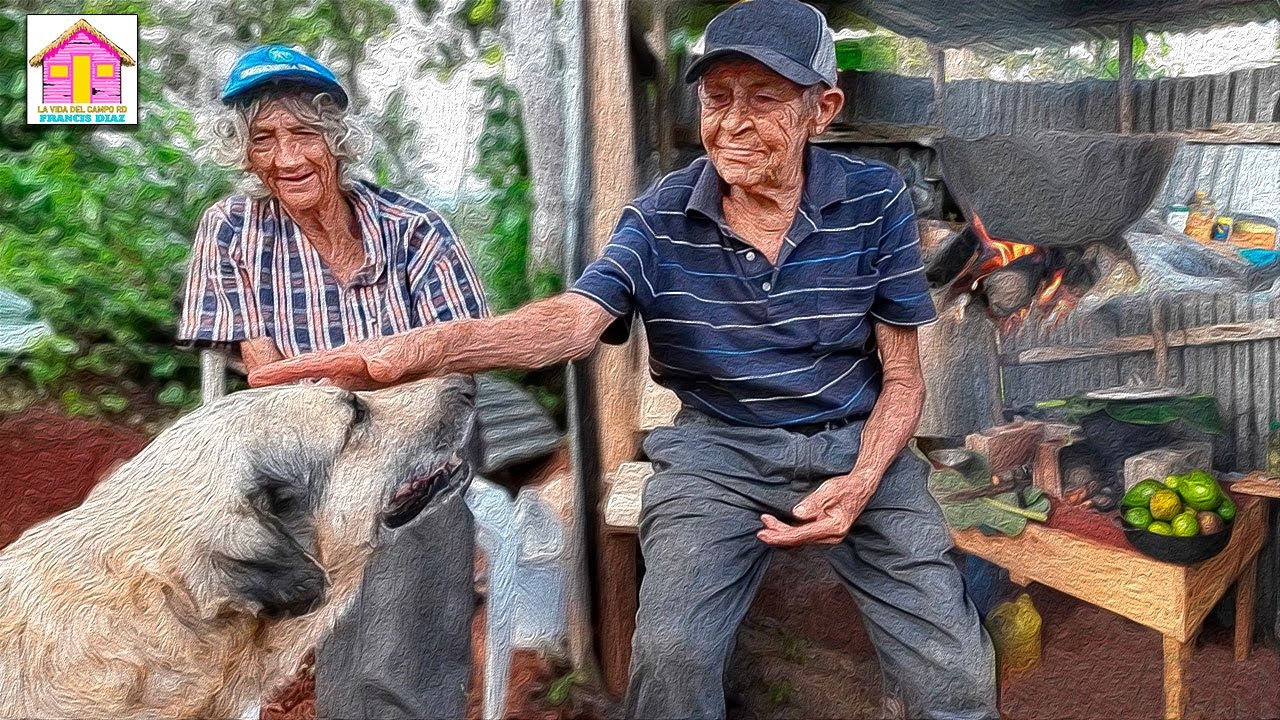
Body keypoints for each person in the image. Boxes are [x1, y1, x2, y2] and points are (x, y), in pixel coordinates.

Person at [251, 1, 999, 718]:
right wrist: (429, 347)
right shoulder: (660, 215)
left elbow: (903, 377)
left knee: (954, 668)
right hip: (717, 455)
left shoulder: (874, 199)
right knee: (671, 656)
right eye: (717, 98)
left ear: (821, 110)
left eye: (765, 98)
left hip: (858, 445)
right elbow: (574, 322)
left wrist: (863, 480)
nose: (733, 122)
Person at [177, 45, 486, 720]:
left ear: (337, 141)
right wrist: (353, 390)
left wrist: (377, 401)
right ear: (245, 154)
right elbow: (265, 376)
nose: (286, 158)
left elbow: (458, 358)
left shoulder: (414, 231)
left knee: (405, 494)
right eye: (263, 139)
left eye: (303, 134)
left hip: (415, 420)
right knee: (341, 495)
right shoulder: (231, 230)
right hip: (300, 427)